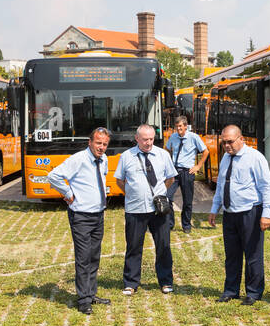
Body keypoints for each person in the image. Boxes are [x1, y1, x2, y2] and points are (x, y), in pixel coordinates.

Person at [47, 127, 112, 314]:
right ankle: (83, 300)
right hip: (81, 216)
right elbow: (53, 176)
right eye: (98, 143)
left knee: (94, 256)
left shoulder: (104, 159)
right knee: (83, 258)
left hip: (98, 214)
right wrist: (68, 193)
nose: (101, 147)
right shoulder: (78, 159)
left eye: (105, 144)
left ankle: (91, 294)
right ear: (90, 142)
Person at [209, 124, 270, 305]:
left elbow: (267, 187)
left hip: (250, 212)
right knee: (232, 255)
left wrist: (266, 214)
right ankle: (231, 290)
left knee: (253, 254)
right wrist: (215, 208)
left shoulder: (255, 158)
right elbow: (221, 186)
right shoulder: (225, 158)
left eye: (230, 142)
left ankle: (253, 292)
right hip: (230, 213)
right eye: (224, 143)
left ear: (241, 139)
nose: (227, 146)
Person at [115, 124, 178, 296]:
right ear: (137, 139)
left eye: (151, 139)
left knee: (163, 246)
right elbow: (119, 180)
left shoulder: (163, 155)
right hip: (135, 209)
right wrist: (132, 193)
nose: (148, 143)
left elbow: (170, 178)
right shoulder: (127, 156)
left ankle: (166, 281)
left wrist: (160, 194)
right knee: (134, 246)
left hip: (159, 209)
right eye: (145, 139)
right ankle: (131, 282)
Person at [165, 116, 209, 233]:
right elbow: (167, 149)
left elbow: (206, 151)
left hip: (187, 172)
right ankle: (169, 224)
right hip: (174, 171)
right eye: (176, 126)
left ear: (185, 126)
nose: (178, 128)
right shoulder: (173, 137)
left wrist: (198, 166)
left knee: (187, 201)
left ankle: (186, 225)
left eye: (180, 126)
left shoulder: (194, 137)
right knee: (167, 197)